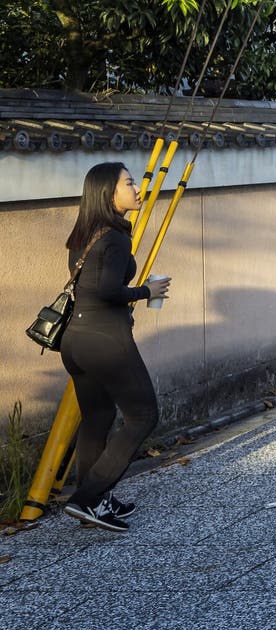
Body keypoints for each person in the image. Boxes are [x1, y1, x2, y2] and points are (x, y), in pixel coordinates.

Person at [60, 162, 170, 532]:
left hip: (75, 341)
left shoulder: (84, 234)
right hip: (107, 341)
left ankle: (95, 502)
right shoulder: (116, 238)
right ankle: (86, 498)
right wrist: (147, 292)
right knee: (143, 416)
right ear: (110, 194)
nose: (137, 188)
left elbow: (88, 290)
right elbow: (107, 291)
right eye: (130, 182)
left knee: (98, 418)